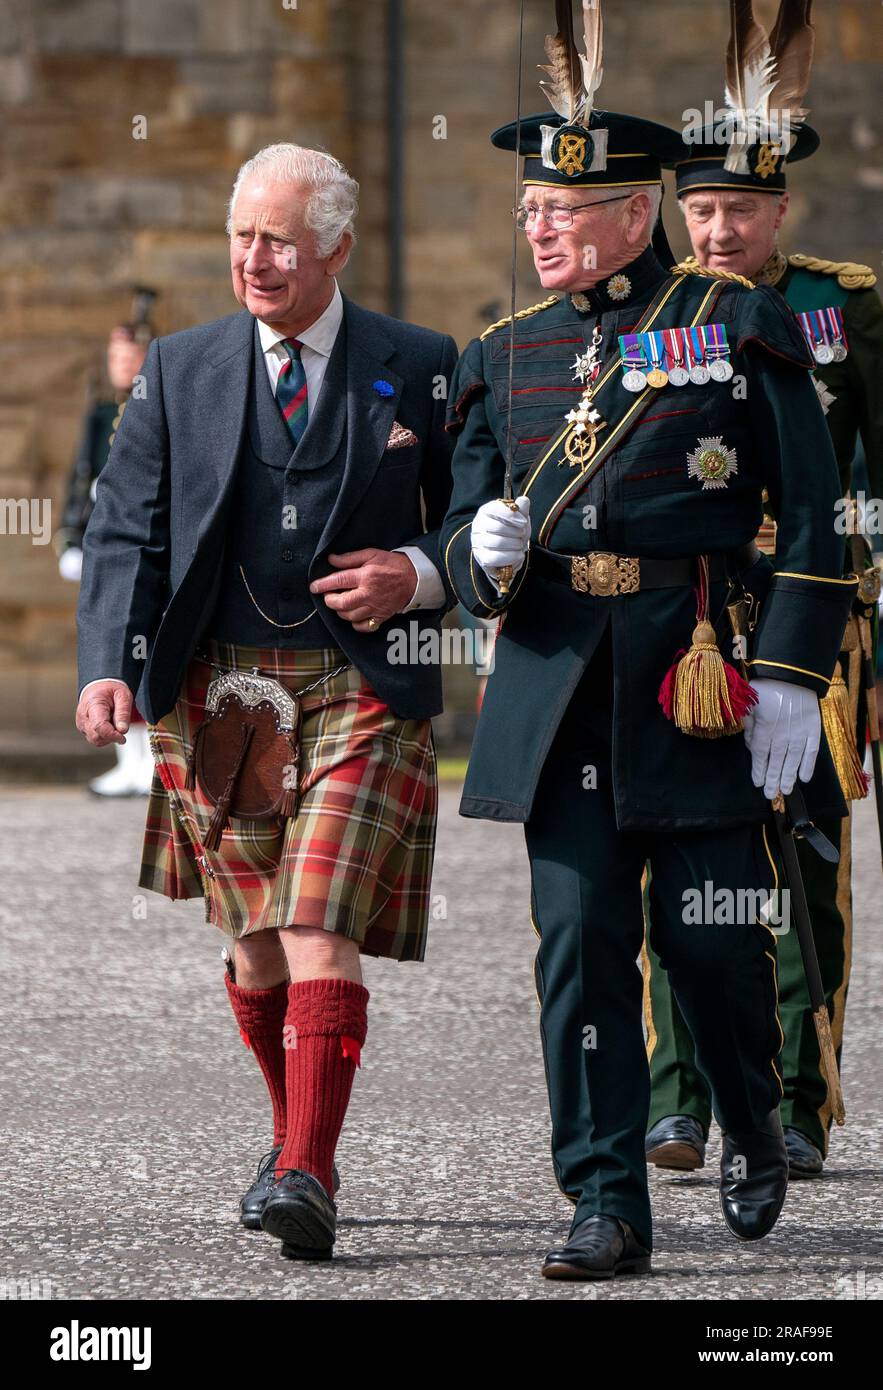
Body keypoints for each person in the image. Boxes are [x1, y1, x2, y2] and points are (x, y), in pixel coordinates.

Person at [440, 0, 856, 1280]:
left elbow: (813, 518)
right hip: (559, 691)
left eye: (566, 211)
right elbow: (459, 527)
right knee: (576, 951)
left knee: (713, 942)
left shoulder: (736, 330)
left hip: (698, 685)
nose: (541, 228)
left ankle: (750, 1118)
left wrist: (787, 674)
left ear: (635, 213)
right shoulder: (502, 355)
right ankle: (605, 1198)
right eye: (530, 212)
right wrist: (479, 561)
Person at [75, 143, 457, 1262]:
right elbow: (124, 530)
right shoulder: (179, 368)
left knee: (316, 919)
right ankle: (294, 1134)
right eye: (242, 235)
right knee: (256, 943)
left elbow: (475, 512)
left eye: (280, 238)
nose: (255, 257)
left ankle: (305, 1169)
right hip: (221, 689)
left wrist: (416, 571)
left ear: (335, 246)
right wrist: (111, 661)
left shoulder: (421, 363)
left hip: (361, 682)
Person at [644, 0, 883, 1183]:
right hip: (687, 622)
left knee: (803, 871)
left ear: (781, 208)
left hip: (814, 624)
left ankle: (797, 1102)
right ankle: (678, 1095)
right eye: (700, 208)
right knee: (674, 861)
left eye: (740, 207)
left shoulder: (848, 307)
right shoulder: (651, 317)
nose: (719, 227)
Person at [57, 302, 157, 796]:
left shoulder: (157, 403)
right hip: (104, 544)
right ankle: (128, 759)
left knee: (142, 646)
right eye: (116, 354)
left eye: (131, 353)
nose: (122, 363)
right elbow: (78, 479)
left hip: (143, 546)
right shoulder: (101, 413)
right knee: (109, 646)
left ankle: (151, 760)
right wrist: (69, 540)